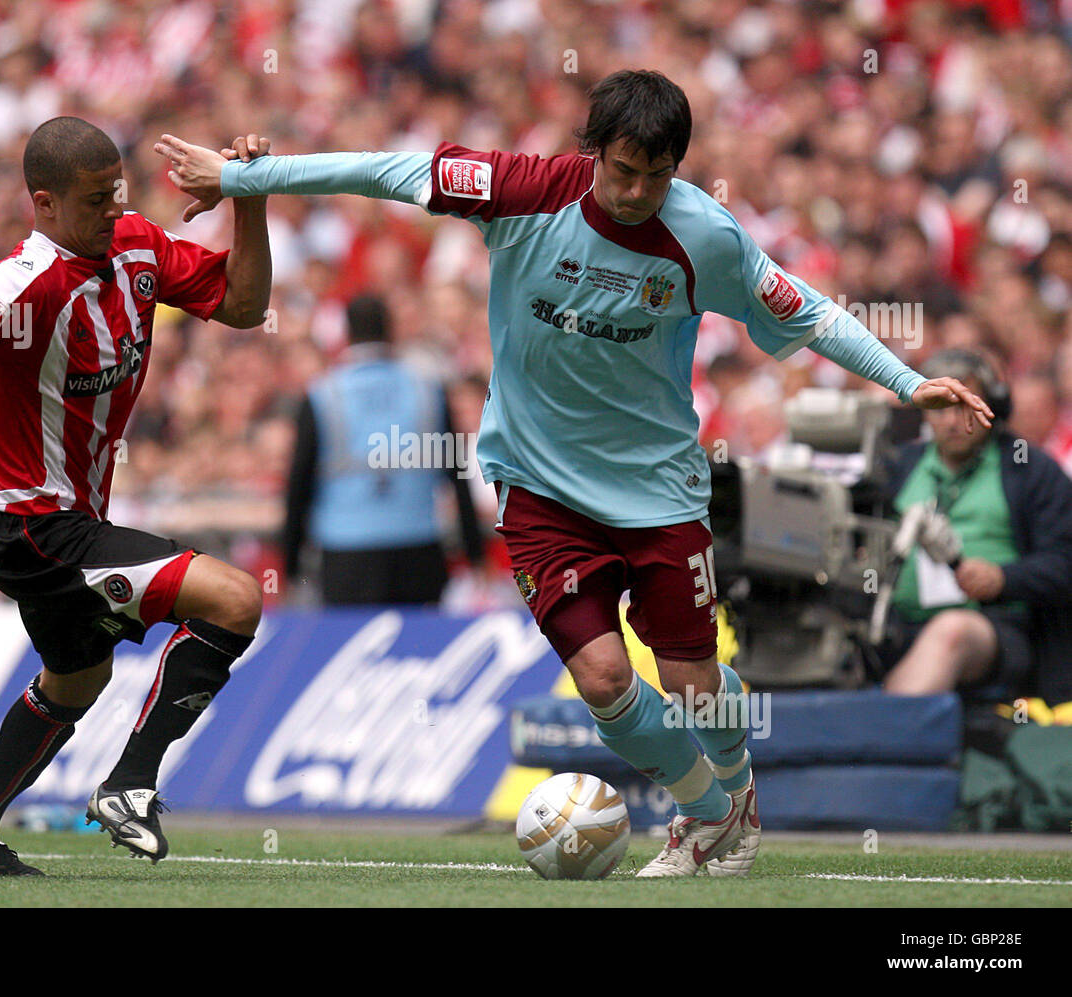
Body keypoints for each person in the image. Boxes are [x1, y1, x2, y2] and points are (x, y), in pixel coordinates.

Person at [154, 69, 992, 877]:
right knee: (602, 677)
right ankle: (705, 812)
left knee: (694, 684)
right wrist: (242, 174)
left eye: (656, 176)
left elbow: (804, 310)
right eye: (623, 171)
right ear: (594, 151)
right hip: (538, 485)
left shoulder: (706, 236)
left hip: (659, 487)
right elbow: (382, 169)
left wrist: (909, 380)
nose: (636, 191)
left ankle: (738, 790)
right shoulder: (521, 189)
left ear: (677, 168)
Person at [0, 116, 271, 877]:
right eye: (95, 199)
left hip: (70, 522)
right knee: (235, 599)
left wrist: (248, 198)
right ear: (45, 203)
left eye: (118, 191)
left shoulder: (136, 246)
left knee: (78, 680)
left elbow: (246, 306)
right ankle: (130, 783)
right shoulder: (18, 286)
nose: (113, 209)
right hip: (30, 526)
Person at [880, 350, 1072, 704]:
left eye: (965, 405)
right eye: (939, 407)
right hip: (896, 625)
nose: (952, 422)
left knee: (950, 631)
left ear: (993, 404)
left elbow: (1064, 563)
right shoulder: (898, 466)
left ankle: (886, 740)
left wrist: (1004, 578)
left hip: (998, 628)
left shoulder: (1028, 467)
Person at [282, 294, 486, 604]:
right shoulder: (428, 389)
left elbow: (299, 484)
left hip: (346, 553)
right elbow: (457, 476)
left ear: (347, 333)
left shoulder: (323, 394)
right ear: (390, 330)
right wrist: (475, 555)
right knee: (419, 649)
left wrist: (291, 565)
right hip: (419, 548)